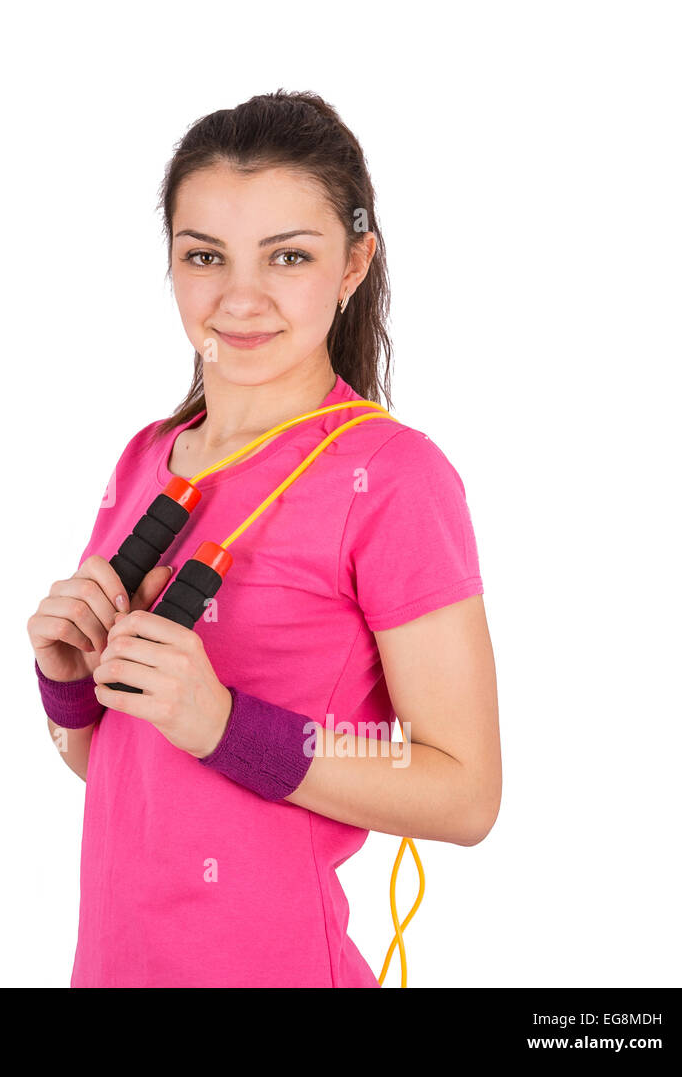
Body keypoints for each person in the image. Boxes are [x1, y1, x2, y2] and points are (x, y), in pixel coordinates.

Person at [25, 90, 501, 988]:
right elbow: (119, 767)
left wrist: (228, 723)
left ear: (356, 262)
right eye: (204, 255)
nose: (239, 299)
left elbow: (466, 791)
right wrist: (65, 683)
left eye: (289, 256)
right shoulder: (147, 458)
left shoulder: (394, 479)